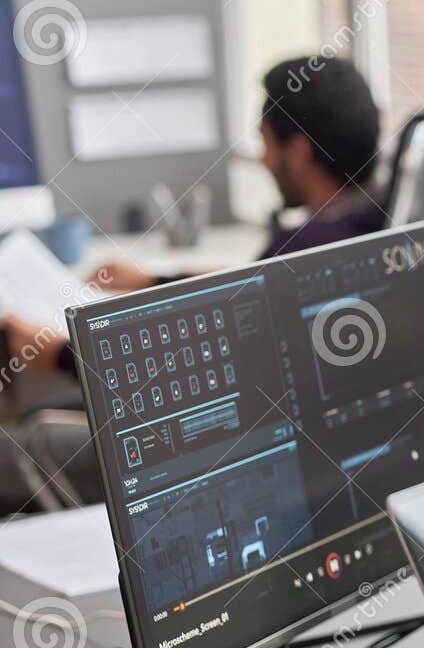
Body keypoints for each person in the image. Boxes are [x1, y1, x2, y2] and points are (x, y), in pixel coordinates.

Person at [0, 56, 384, 511]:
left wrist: (61, 353)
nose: (263, 160)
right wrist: (153, 279)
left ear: (298, 152)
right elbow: (246, 290)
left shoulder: (307, 249)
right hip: (271, 431)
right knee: (57, 410)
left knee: (23, 442)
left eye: (265, 144)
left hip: (221, 447)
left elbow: (196, 368)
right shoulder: (361, 223)